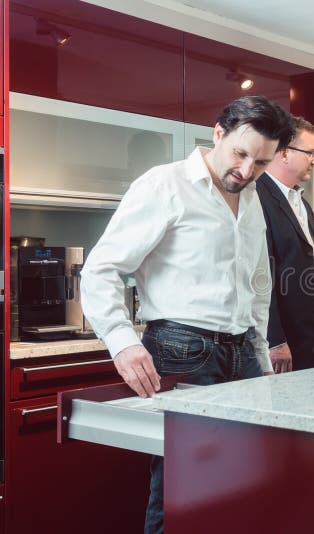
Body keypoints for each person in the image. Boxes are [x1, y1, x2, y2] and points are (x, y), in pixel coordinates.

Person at [80, 95, 294, 534]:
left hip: (243, 355)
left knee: (242, 484)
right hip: (182, 350)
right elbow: (101, 270)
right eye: (240, 153)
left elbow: (257, 285)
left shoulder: (251, 198)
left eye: (261, 162)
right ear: (217, 133)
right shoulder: (165, 185)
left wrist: (260, 356)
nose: (247, 171)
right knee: (182, 490)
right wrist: (121, 341)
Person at [256, 116, 314, 372]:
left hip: (310, 336)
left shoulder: (301, 202)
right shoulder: (257, 198)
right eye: (310, 153)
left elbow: (296, 261)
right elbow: (260, 275)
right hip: (284, 343)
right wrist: (275, 340)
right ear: (284, 153)